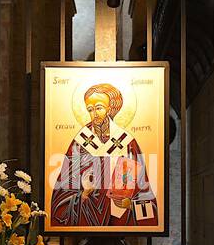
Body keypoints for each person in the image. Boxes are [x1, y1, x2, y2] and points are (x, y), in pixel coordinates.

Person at [50, 83, 157, 228]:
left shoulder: (127, 143)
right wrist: (82, 195)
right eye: (90, 109)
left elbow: (146, 196)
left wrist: (130, 205)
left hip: (119, 221)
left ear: (110, 108)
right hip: (85, 218)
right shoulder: (80, 142)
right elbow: (60, 197)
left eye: (99, 107)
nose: (94, 113)